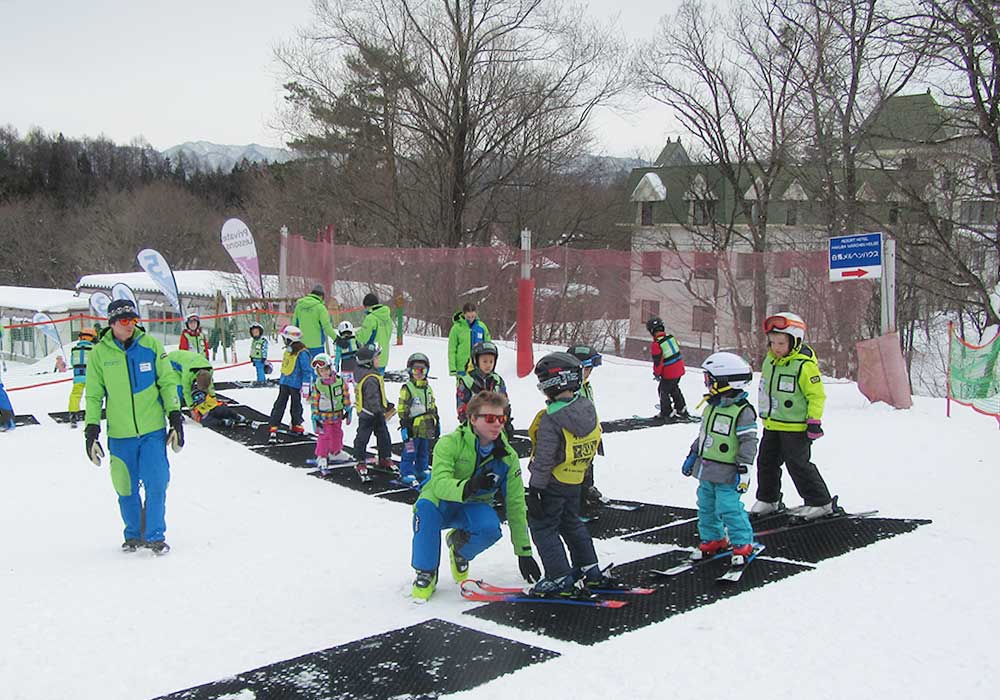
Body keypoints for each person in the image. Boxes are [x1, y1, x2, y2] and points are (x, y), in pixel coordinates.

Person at [410, 390, 540, 601]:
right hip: (440, 502)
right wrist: (470, 485)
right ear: (472, 418)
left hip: (473, 505)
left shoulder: (507, 457)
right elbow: (441, 484)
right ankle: (426, 571)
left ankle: (459, 548)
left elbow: (515, 503)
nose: (497, 424)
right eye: (490, 418)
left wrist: (524, 551)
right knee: (424, 511)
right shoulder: (449, 443)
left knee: (490, 529)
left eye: (501, 418)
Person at [83, 299, 183, 554]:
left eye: (134, 320)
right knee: (125, 487)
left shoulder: (150, 345)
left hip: (151, 430)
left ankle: (155, 535)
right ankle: (133, 535)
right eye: (125, 321)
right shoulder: (99, 354)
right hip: (121, 433)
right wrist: (91, 430)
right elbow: (94, 395)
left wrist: (175, 416)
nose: (131, 325)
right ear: (113, 323)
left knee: (157, 481)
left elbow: (168, 381)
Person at [524, 352, 618, 598]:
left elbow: (544, 458)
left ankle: (558, 576)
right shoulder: (587, 408)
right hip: (574, 480)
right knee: (571, 523)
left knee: (544, 527)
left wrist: (535, 489)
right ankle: (590, 568)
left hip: (552, 483)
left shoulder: (551, 418)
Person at [752, 312, 834, 521]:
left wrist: (814, 422)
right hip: (773, 424)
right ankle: (768, 499)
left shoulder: (804, 366)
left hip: (796, 427)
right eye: (772, 343)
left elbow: (816, 395)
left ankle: (820, 502)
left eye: (781, 343)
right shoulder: (770, 362)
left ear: (795, 342)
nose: (776, 348)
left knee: (798, 464)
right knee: (766, 462)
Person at [680, 352, 759, 565]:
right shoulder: (711, 406)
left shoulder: (743, 412)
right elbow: (704, 434)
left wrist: (744, 469)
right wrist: (693, 454)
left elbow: (749, 443)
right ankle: (714, 539)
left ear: (725, 381)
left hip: (728, 472)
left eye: (710, 379)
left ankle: (743, 542)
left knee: (728, 507)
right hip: (706, 469)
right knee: (706, 506)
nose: (707, 384)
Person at [566, 344, 607, 512]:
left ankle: (587, 488)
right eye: (586, 370)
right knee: (579, 465)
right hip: (577, 435)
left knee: (589, 463)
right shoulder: (570, 390)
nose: (588, 374)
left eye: (590, 370)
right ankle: (577, 496)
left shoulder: (585, 386)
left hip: (590, 432)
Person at [353, 343, 395, 482]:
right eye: (376, 358)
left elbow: (378, 394)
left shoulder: (369, 374)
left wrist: (386, 404)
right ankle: (360, 460)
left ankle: (384, 457)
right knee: (363, 437)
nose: (378, 360)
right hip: (370, 414)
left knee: (384, 437)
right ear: (369, 362)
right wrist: (378, 411)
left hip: (374, 411)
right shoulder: (370, 378)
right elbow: (372, 397)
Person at [397, 352, 439, 488]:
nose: (419, 373)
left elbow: (432, 404)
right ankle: (406, 472)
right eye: (416, 370)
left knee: (423, 450)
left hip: (425, 427)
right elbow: (402, 406)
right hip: (412, 427)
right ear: (410, 371)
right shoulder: (408, 388)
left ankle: (422, 469)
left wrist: (436, 420)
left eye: (423, 370)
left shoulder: (428, 388)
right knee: (410, 451)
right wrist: (404, 423)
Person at [267, 325, 312, 444]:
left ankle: (296, 423)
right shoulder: (288, 351)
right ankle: (274, 424)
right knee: (280, 404)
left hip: (295, 384)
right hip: (285, 382)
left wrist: (306, 385)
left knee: (295, 405)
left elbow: (306, 370)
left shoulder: (302, 353)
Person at [309, 353, 352, 473]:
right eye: (320, 371)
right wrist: (315, 415)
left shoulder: (339, 381)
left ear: (331, 368)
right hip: (323, 416)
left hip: (337, 414)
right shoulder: (318, 385)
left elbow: (345, 394)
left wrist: (348, 408)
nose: (324, 373)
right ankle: (322, 455)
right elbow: (314, 401)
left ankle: (335, 451)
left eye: (325, 370)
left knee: (337, 433)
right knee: (325, 435)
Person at [646, 316, 691, 422]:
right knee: (674, 388)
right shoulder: (671, 337)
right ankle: (681, 408)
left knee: (663, 390)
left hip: (669, 373)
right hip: (679, 370)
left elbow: (658, 363)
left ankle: (667, 412)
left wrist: (657, 374)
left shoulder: (656, 344)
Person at [456, 341, 510, 429]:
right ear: (476, 361)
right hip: (474, 425)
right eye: (485, 361)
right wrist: (469, 422)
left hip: (496, 424)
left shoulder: (497, 381)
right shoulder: (467, 381)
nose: (488, 365)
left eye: (491, 362)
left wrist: (506, 421)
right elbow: (462, 405)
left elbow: (505, 403)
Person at [291, 284, 338, 366]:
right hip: (317, 345)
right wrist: (337, 339)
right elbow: (326, 327)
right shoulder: (320, 308)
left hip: (301, 346)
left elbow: (294, 325)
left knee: (305, 370)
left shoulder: (299, 306)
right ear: (322, 296)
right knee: (318, 369)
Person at [448, 302, 492, 378]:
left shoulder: (482, 327)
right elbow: (452, 349)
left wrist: (488, 364)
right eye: (468, 317)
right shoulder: (456, 328)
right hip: (462, 366)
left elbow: (488, 346)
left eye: (473, 316)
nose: (471, 319)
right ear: (464, 314)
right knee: (463, 389)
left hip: (479, 365)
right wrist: (452, 368)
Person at [356, 293, 394, 373]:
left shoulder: (370, 318)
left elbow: (363, 338)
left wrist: (356, 335)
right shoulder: (388, 319)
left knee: (370, 383)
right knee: (379, 382)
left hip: (371, 357)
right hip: (383, 356)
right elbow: (388, 335)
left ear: (367, 306)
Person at [67, 327, 97, 428]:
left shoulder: (74, 349)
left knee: (75, 395)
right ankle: (92, 414)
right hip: (90, 376)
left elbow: (72, 362)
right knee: (92, 396)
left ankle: (73, 414)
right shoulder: (94, 349)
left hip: (78, 376)